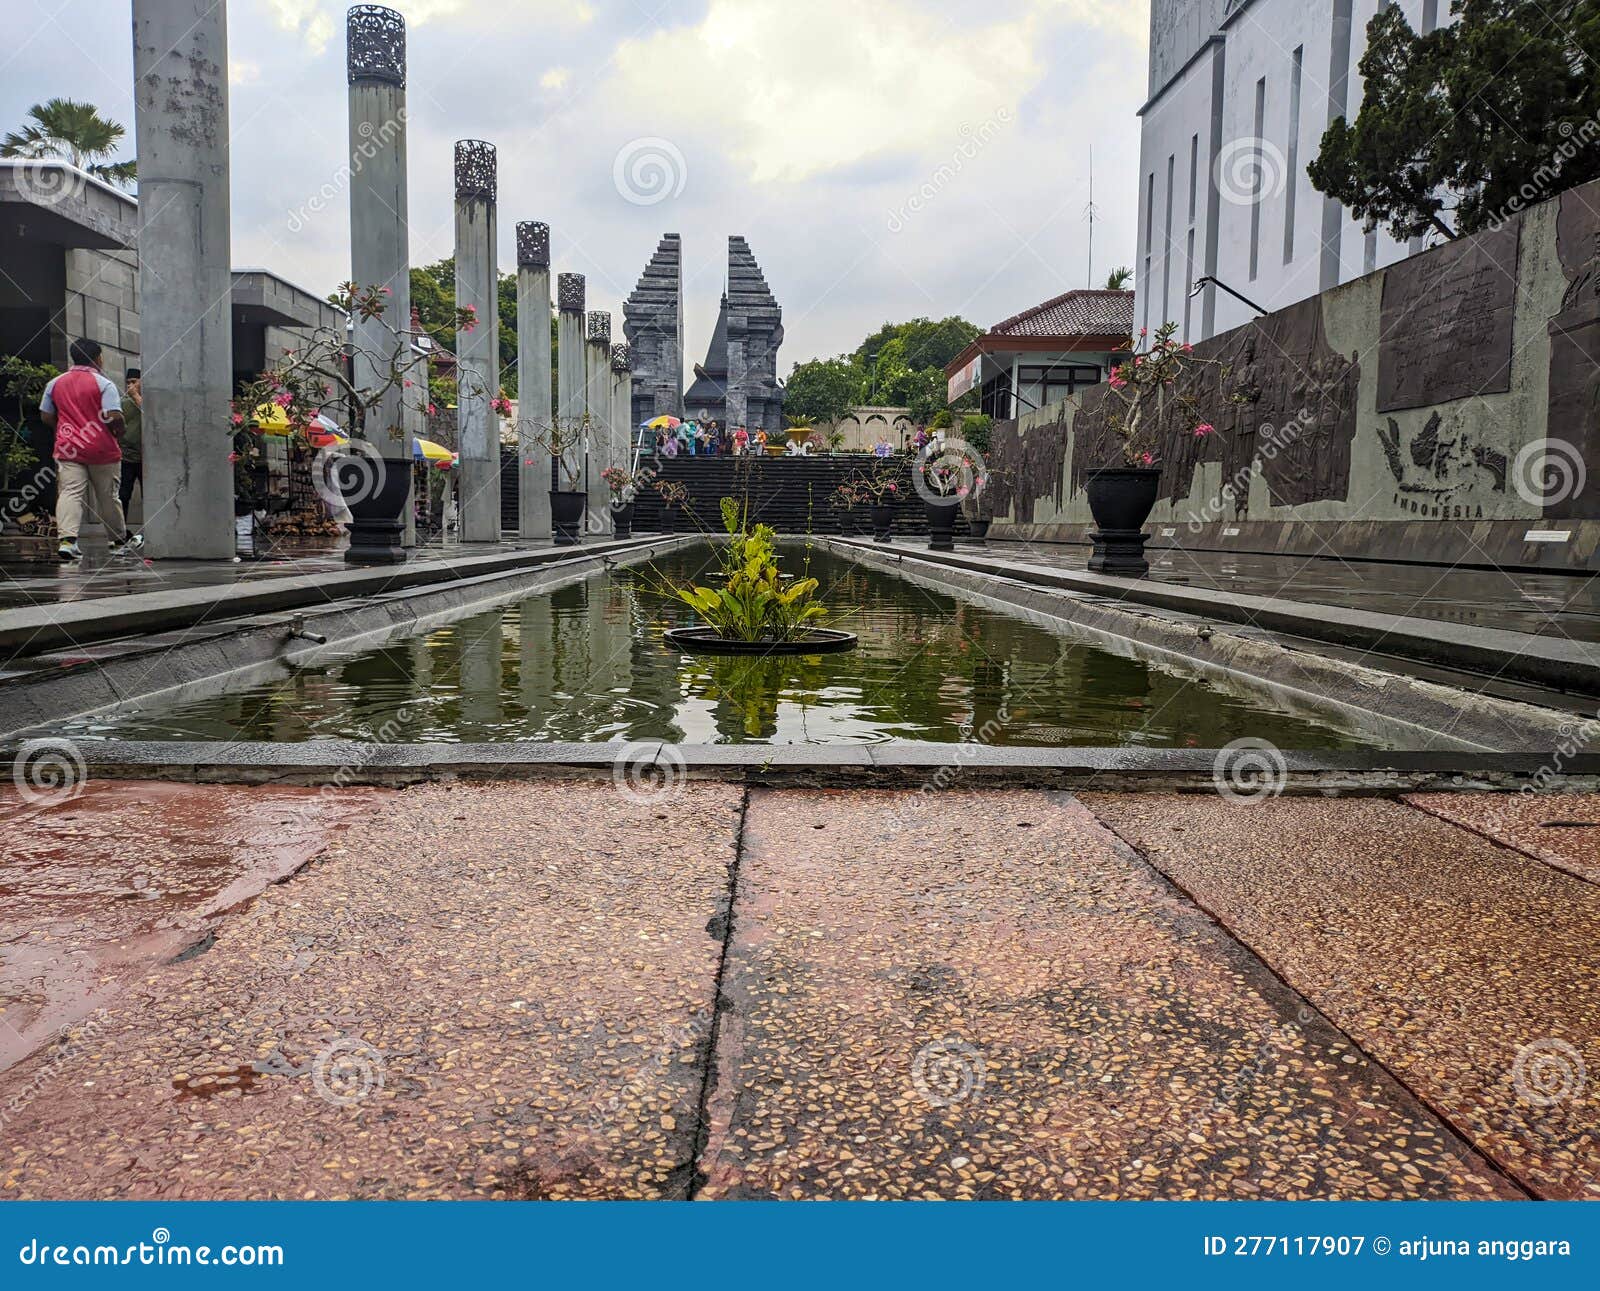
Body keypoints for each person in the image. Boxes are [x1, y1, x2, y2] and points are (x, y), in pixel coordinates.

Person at [40, 338, 140, 561]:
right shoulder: (104, 384)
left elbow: (46, 415)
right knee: (108, 496)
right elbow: (114, 414)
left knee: (70, 492)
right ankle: (117, 540)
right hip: (102, 450)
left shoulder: (55, 383)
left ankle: (67, 541)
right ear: (98, 358)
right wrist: (119, 431)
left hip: (68, 449)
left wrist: (63, 429)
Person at [119, 366, 143, 516]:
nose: (130, 386)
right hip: (126, 456)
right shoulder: (123, 402)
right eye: (128, 382)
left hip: (146, 459)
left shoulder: (146, 401)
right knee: (123, 495)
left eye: (134, 382)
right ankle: (120, 533)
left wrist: (137, 397)